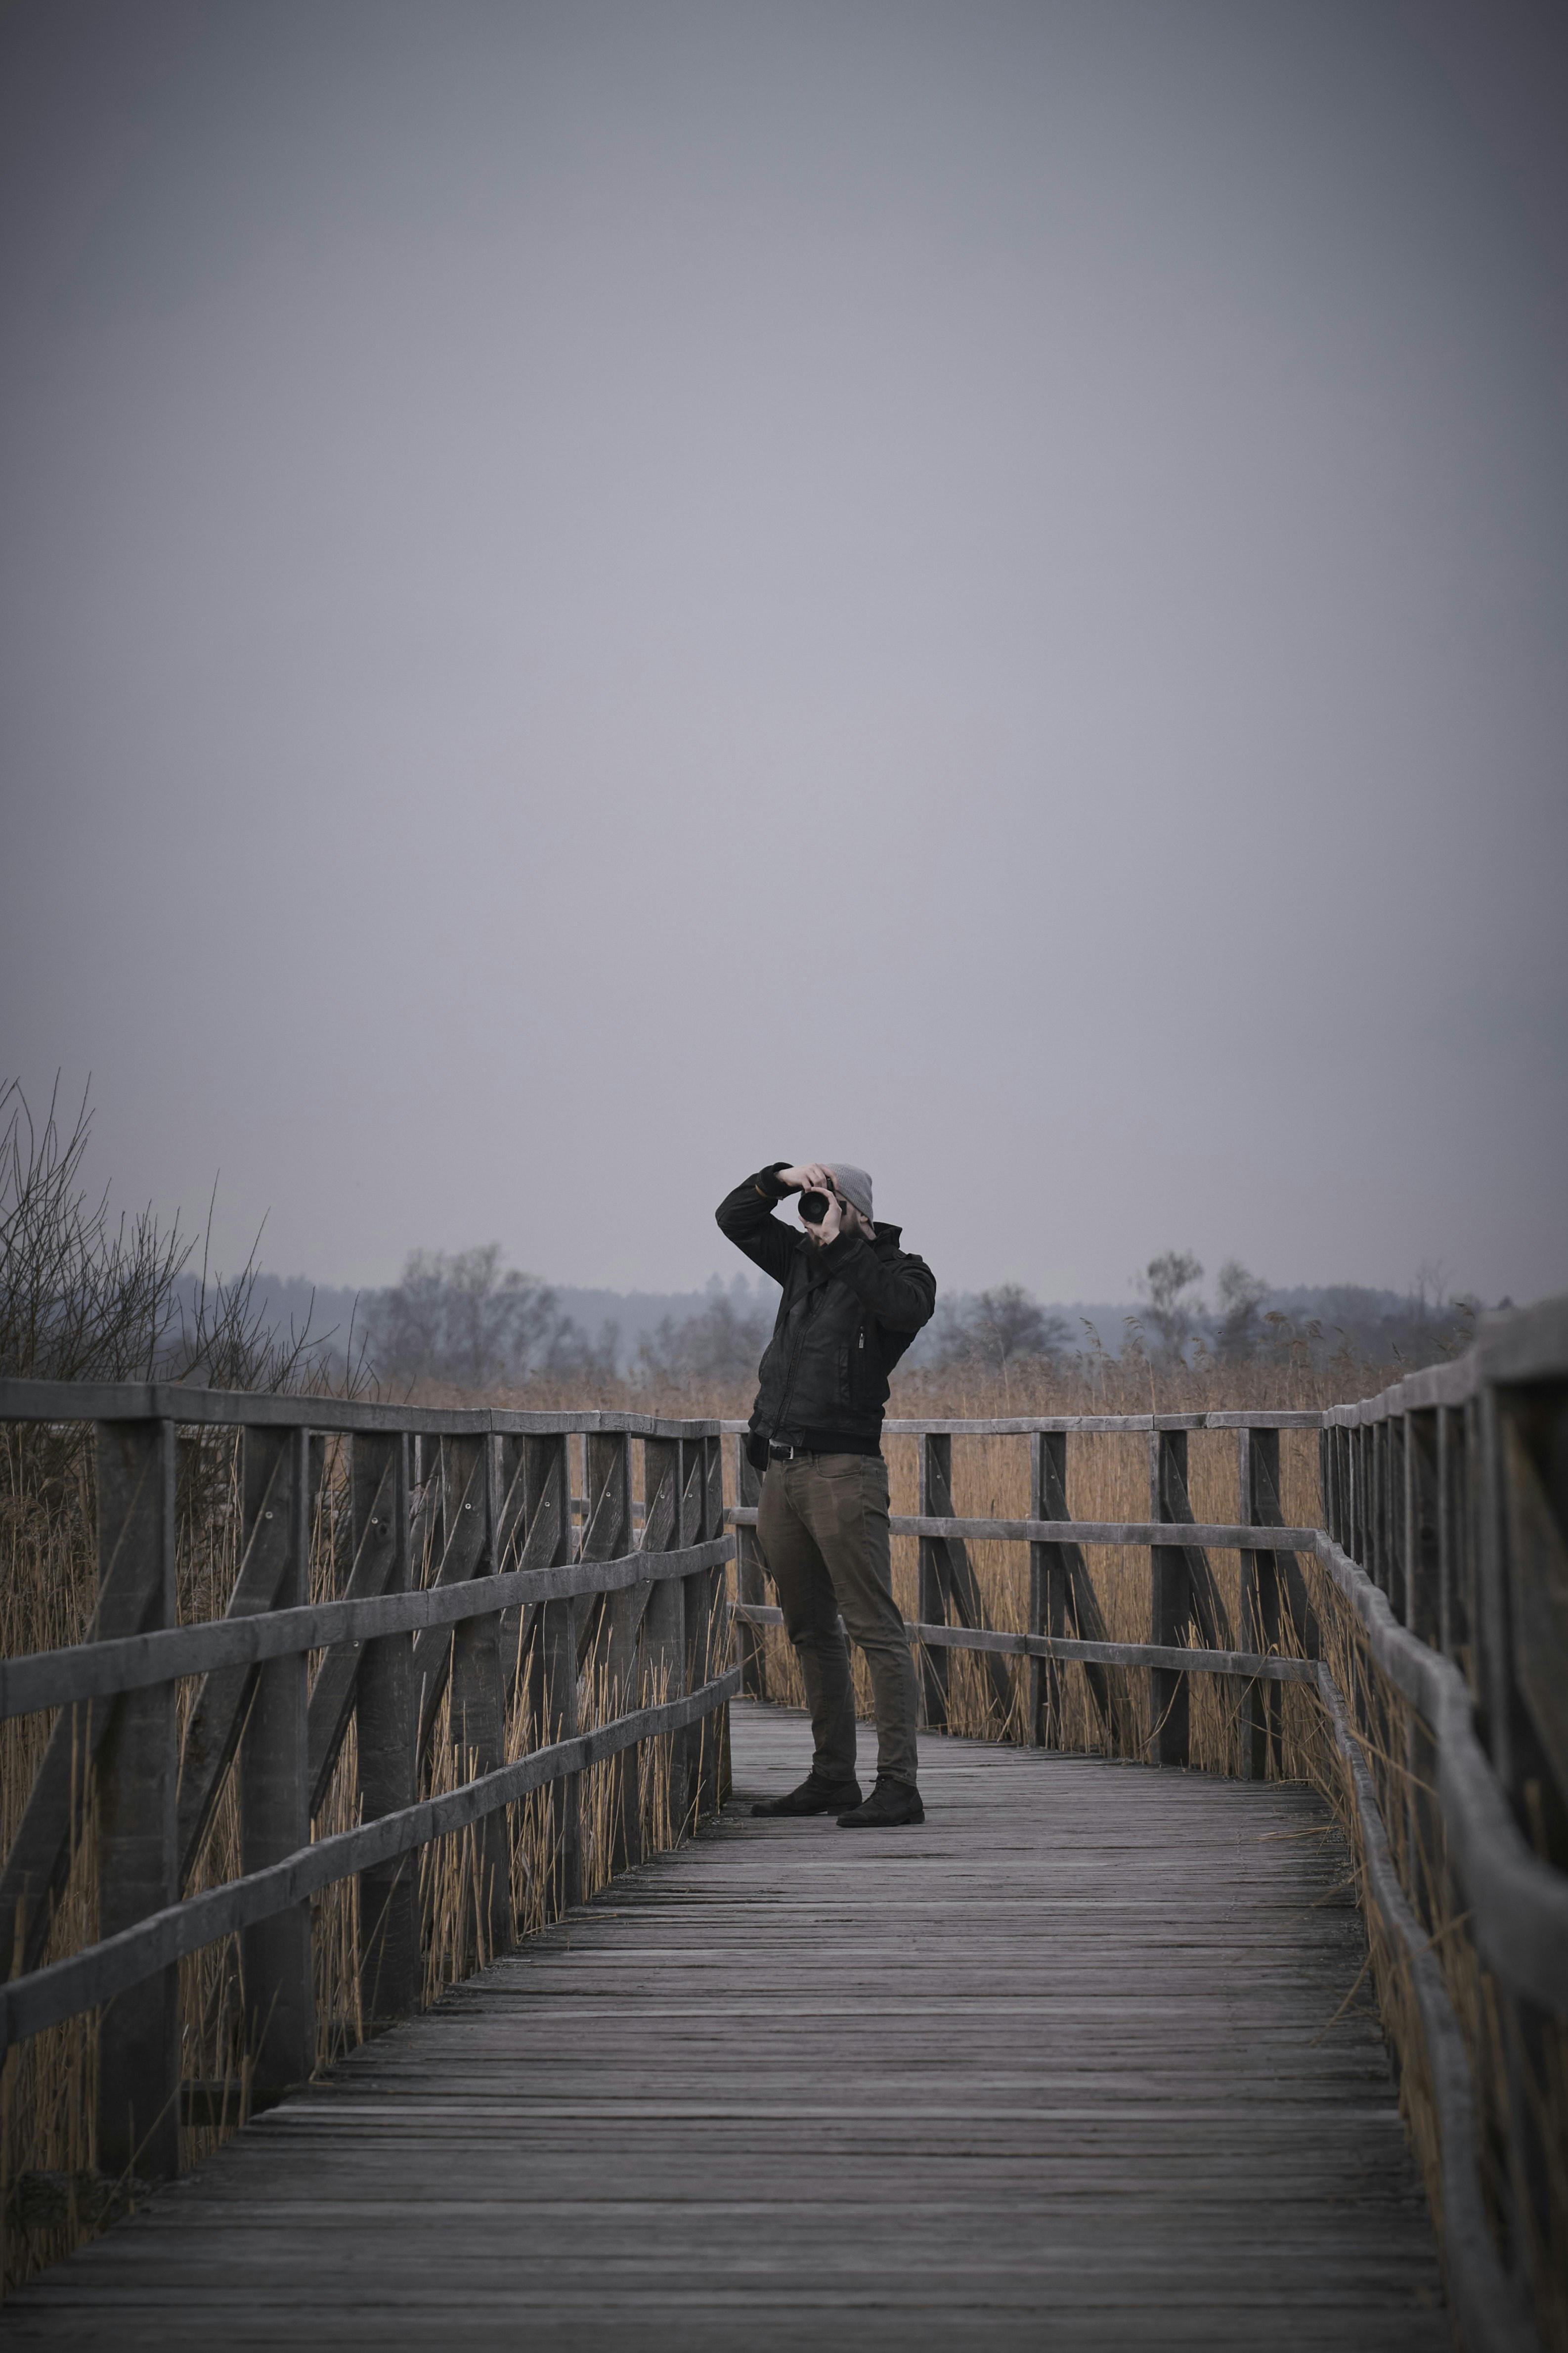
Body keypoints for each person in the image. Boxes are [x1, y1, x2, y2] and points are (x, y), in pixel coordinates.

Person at [715, 1159, 936, 1827]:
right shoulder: (804, 1263)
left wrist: (844, 1241)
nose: (812, 1215)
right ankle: (832, 1777)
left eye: (824, 1202)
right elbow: (733, 1219)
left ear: (855, 1208)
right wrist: (778, 1179)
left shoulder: (902, 1271)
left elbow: (903, 1310)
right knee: (811, 1630)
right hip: (781, 1470)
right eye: (810, 1204)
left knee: (875, 1629)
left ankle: (898, 1787)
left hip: (845, 1470)